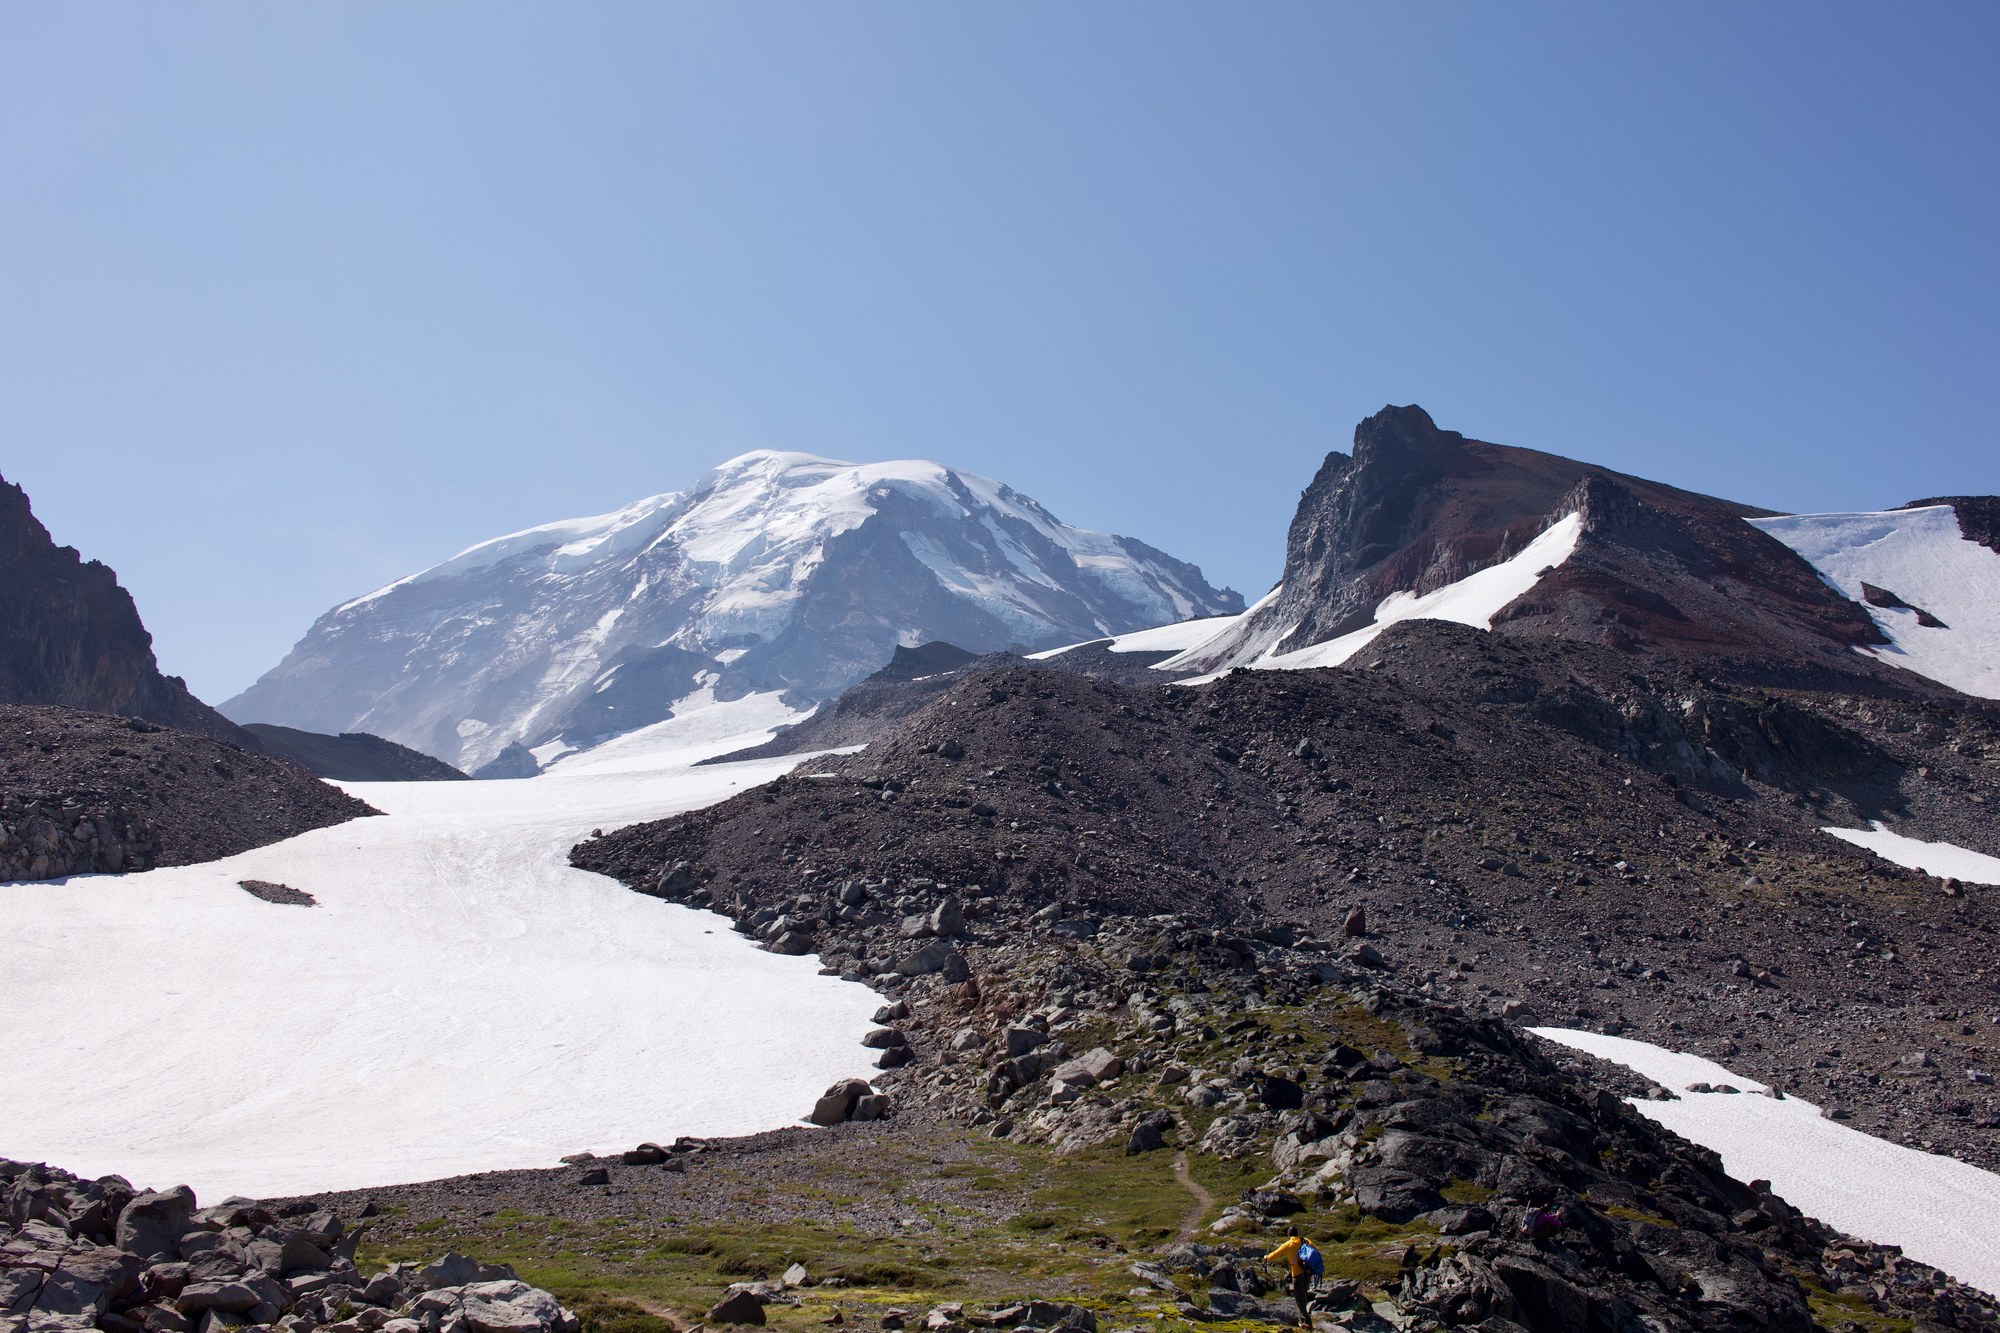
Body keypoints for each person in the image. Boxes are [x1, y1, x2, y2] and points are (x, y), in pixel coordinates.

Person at [1263, 1224, 1317, 1327]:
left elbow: (1275, 1254)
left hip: (1297, 1274)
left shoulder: (1288, 1244)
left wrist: (1266, 1257)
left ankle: (1307, 1321)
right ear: (1297, 1234)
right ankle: (1303, 1320)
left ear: (1289, 1234)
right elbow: (1316, 1250)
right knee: (1304, 1295)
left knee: (1299, 1298)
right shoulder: (1305, 1240)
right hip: (1307, 1272)